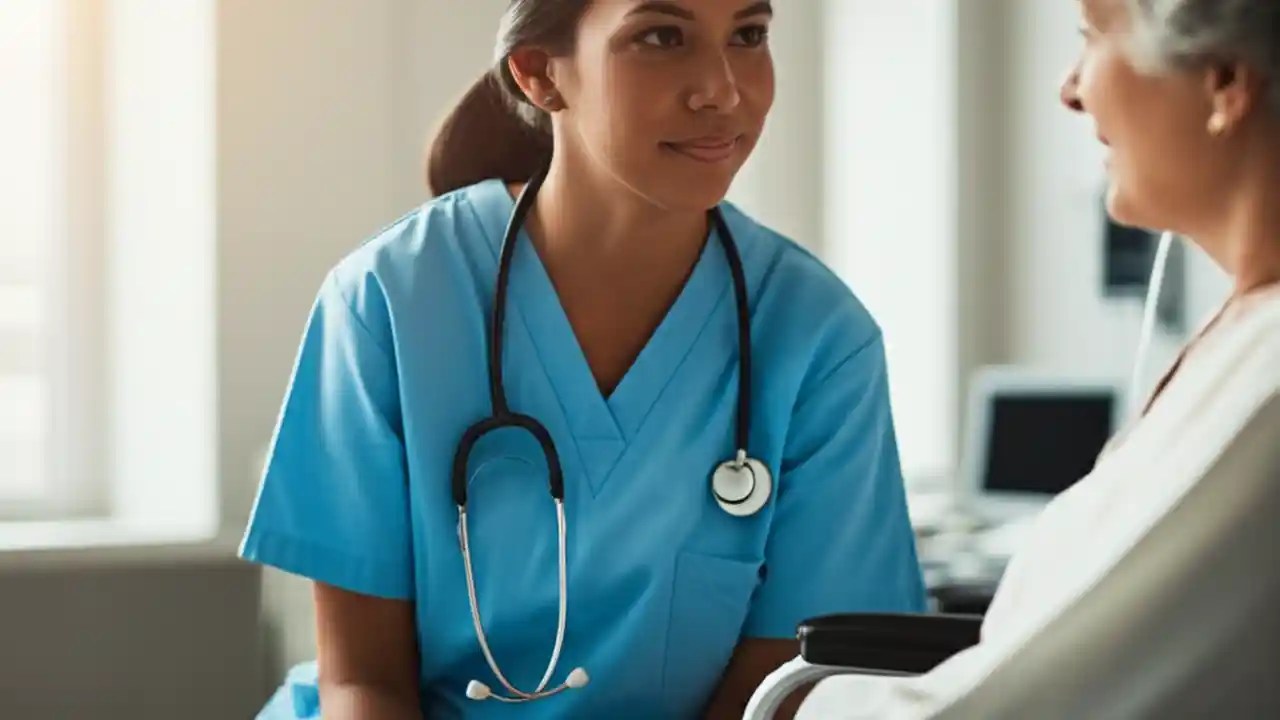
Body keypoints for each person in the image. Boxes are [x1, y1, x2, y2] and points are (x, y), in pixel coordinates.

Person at [239, 1, 926, 718]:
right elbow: (365, 681)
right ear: (540, 74)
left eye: (748, 36)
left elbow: (782, 686)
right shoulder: (391, 298)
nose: (723, 89)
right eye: (662, 37)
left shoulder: (818, 337)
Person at [751, 0, 1280, 716]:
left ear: (1224, 83)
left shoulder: (1265, 388)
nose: (1070, 87)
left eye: (1093, 39)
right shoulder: (1242, 336)